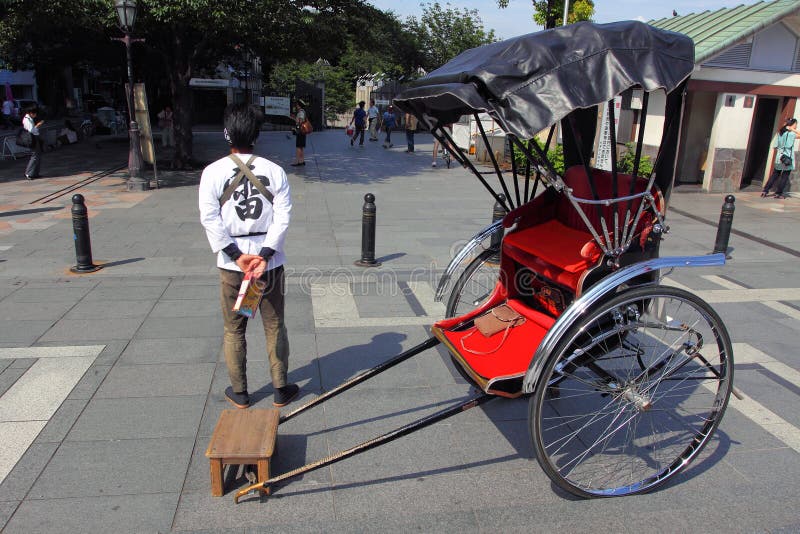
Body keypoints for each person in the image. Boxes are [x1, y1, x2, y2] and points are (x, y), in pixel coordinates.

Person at [198, 103, 299, 409]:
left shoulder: (212, 172)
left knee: (234, 327)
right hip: (268, 264)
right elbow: (283, 218)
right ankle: (281, 388)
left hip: (233, 265)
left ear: (227, 134)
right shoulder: (275, 171)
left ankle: (240, 392)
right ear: (257, 134)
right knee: (274, 324)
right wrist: (265, 254)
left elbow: (209, 218)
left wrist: (236, 255)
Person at [762, 118, 798, 199]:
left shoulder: (780, 133)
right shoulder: (791, 134)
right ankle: (778, 193)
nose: (796, 125)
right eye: (795, 124)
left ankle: (765, 190)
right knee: (785, 176)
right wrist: (792, 129)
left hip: (779, 157)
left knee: (775, 175)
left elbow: (775, 146)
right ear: (792, 124)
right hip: (787, 158)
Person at [22, 106, 44, 180]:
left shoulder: (30, 118)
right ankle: (28, 173)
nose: (36, 115)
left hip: (35, 137)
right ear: (31, 113)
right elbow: (31, 130)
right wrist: (38, 125)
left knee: (38, 155)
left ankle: (35, 173)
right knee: (34, 156)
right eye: (35, 114)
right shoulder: (27, 120)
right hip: (32, 138)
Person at [290, 100, 307, 166]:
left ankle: (297, 161)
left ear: (299, 105)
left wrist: (296, 127)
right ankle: (302, 161)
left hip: (300, 131)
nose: (296, 106)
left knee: (298, 147)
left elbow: (300, 121)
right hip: (302, 131)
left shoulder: (301, 112)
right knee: (301, 147)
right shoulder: (302, 112)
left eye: (297, 105)